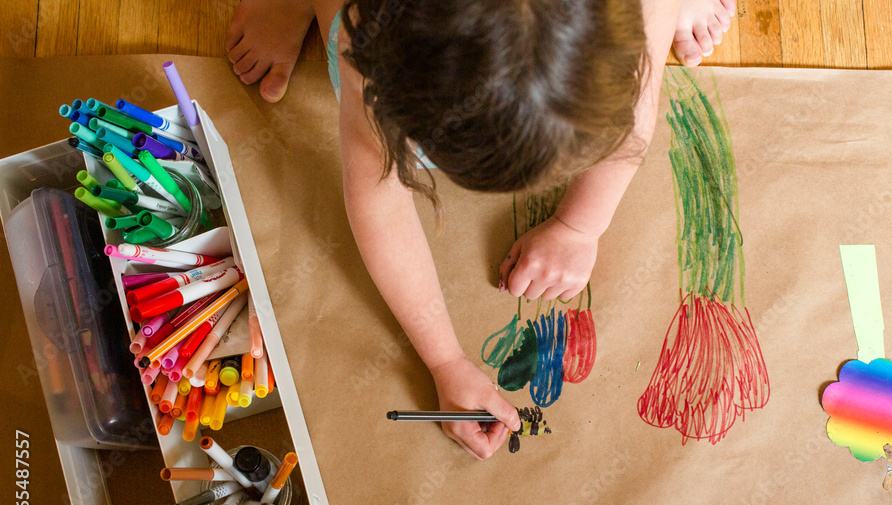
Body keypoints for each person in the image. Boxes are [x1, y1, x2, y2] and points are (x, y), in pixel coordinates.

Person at [225, 0, 735, 460]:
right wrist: (444, 359)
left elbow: (633, 119)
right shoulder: (371, 37)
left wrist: (581, 226)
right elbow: (377, 198)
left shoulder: (631, 18)